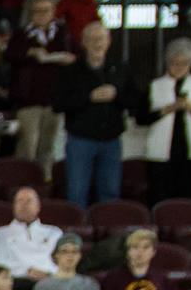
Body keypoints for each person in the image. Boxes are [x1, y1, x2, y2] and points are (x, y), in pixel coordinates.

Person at [54, 22, 135, 206]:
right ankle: (78, 232)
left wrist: (116, 96)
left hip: (111, 140)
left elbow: (135, 100)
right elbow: (58, 104)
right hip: (80, 140)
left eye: (101, 39)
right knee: (77, 191)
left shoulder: (121, 69)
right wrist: (88, 97)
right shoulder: (70, 71)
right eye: (92, 39)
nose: (97, 43)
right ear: (84, 42)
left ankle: (109, 231)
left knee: (110, 191)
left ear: (108, 41)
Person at [5, 0, 74, 179]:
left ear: (53, 13)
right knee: (28, 144)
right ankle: (22, 182)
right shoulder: (22, 35)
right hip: (28, 100)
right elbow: (10, 54)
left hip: (54, 100)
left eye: (46, 11)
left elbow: (74, 56)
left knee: (47, 146)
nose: (41, 15)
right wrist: (31, 53)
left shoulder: (63, 34)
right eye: (37, 11)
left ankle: (43, 182)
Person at [142, 38, 191, 204]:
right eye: (175, 63)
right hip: (161, 153)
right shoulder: (156, 85)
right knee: (161, 195)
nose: (179, 67)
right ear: (168, 62)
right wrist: (167, 109)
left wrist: (190, 107)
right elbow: (141, 118)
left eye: (184, 63)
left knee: (189, 197)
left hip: (190, 151)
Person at [0, 187, 61, 284]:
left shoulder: (54, 232)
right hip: (17, 280)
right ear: (14, 206)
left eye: (29, 201)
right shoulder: (1, 233)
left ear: (38, 206)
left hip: (50, 279)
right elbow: (1, 262)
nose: (24, 205)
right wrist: (27, 271)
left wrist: (48, 273)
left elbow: (61, 261)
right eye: (20, 201)